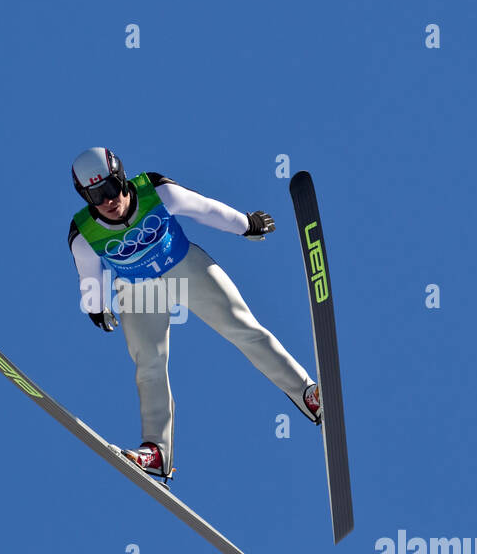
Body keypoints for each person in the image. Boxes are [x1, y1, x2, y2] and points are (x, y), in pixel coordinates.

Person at [67, 146, 321, 478]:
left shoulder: (155, 190)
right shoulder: (83, 234)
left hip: (183, 265)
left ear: (122, 178)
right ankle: (157, 452)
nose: (108, 201)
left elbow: (204, 210)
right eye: (96, 196)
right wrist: (96, 308)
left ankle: (308, 394)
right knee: (149, 363)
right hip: (138, 288)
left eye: (111, 189)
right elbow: (89, 273)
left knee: (243, 329)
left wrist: (246, 224)